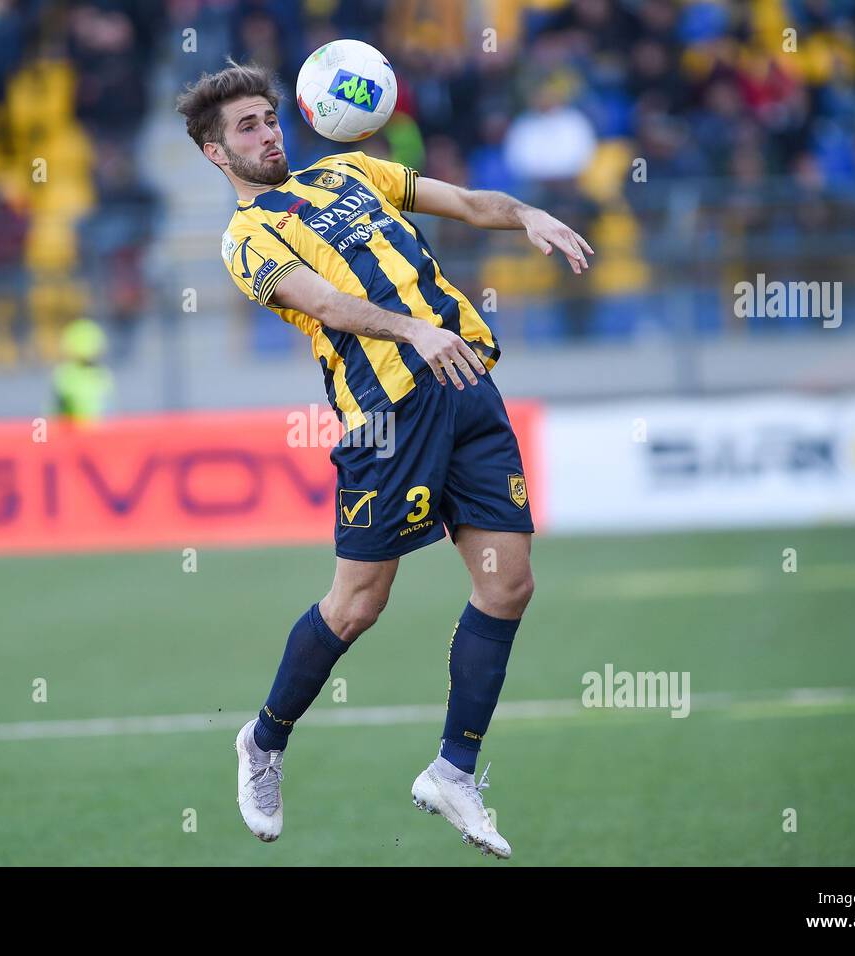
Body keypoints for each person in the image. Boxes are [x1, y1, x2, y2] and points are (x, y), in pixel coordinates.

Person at [176, 60, 593, 858]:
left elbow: (470, 203)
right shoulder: (247, 238)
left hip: (468, 387)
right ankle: (263, 742)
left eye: (270, 118)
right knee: (358, 605)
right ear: (215, 154)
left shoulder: (352, 170)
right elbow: (327, 304)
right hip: (386, 418)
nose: (268, 135)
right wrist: (413, 330)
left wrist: (527, 214)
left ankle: (454, 771)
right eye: (247, 128)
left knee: (509, 584)